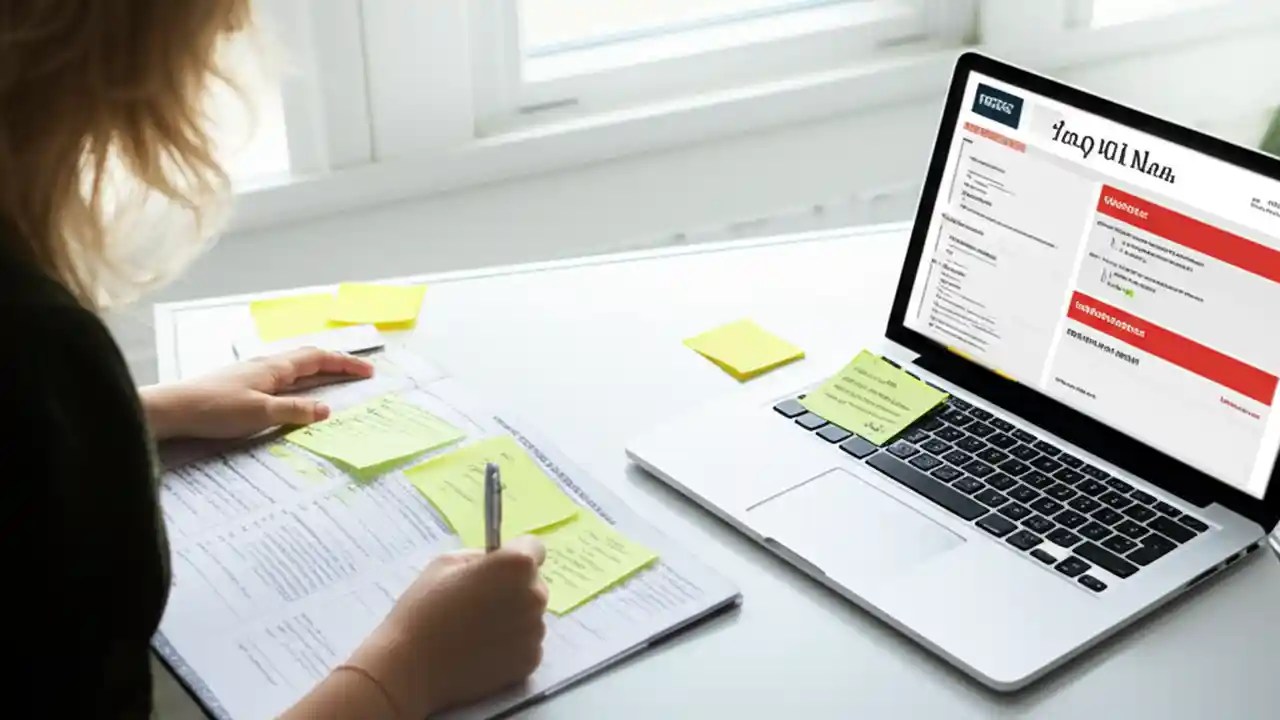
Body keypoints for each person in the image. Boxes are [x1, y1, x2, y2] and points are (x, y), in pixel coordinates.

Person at [1, 1, 548, 717]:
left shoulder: (36, 362)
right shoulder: (33, 343)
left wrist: (119, 417)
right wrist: (405, 673)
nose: (234, 25)